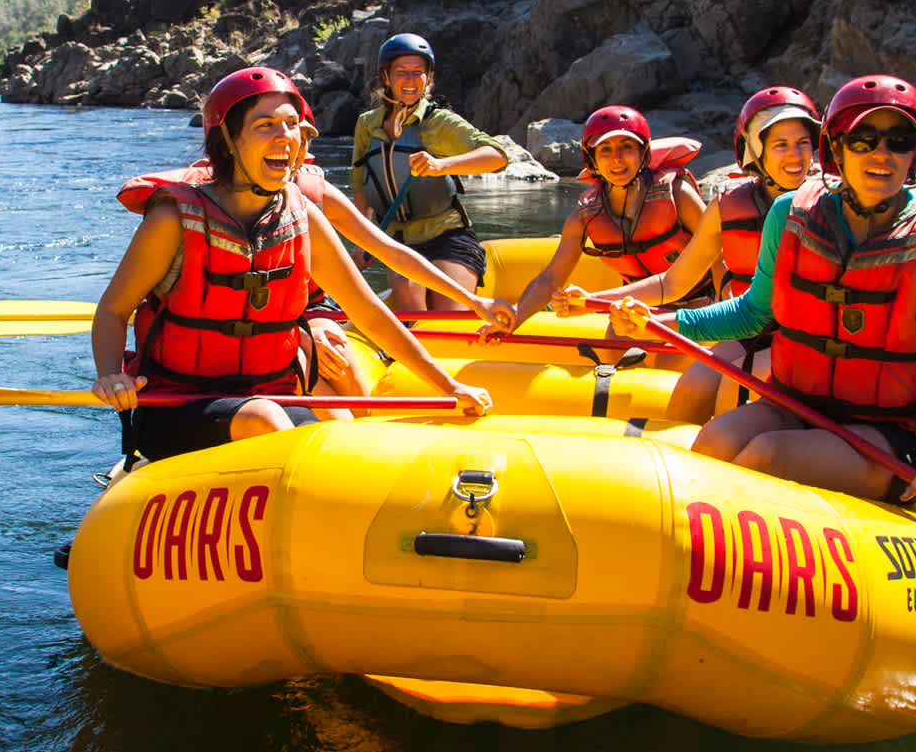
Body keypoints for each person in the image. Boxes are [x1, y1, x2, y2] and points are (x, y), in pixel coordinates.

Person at [608, 75, 916, 507]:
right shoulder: (789, 215)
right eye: (863, 139)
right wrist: (662, 322)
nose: (881, 153)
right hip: (798, 403)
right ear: (836, 148)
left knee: (769, 456)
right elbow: (754, 312)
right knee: (716, 440)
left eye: (899, 139)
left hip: (892, 430)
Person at [94, 67, 489, 462]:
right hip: (178, 404)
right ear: (228, 141)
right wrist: (110, 374)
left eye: (291, 124)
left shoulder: (302, 215)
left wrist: (449, 386)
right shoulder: (173, 220)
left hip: (271, 393)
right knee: (267, 419)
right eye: (266, 125)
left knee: (343, 446)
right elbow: (113, 310)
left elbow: (368, 312)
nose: (286, 136)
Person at [559, 86, 819, 421]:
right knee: (693, 388)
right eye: (781, 145)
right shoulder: (727, 206)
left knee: (735, 387)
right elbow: (674, 282)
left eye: (803, 144)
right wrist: (596, 301)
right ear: (756, 150)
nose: (795, 156)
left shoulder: (829, 206)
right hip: (752, 329)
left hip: (804, 341)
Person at [502, 105, 710, 330]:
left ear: (643, 153)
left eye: (627, 147)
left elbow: (720, 259)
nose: (617, 159)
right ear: (592, 159)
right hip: (634, 309)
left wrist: (730, 328)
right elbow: (551, 279)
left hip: (701, 306)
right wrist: (513, 318)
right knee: (608, 358)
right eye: (605, 150)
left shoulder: (677, 194)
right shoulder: (584, 216)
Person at [347, 33, 510, 310]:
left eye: (418, 73)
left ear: (428, 79)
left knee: (450, 315)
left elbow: (497, 156)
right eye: (401, 72)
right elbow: (362, 187)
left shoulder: (439, 122)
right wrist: (365, 241)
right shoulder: (367, 125)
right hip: (398, 243)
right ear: (386, 77)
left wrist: (441, 165)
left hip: (448, 237)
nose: (411, 80)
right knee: (406, 289)